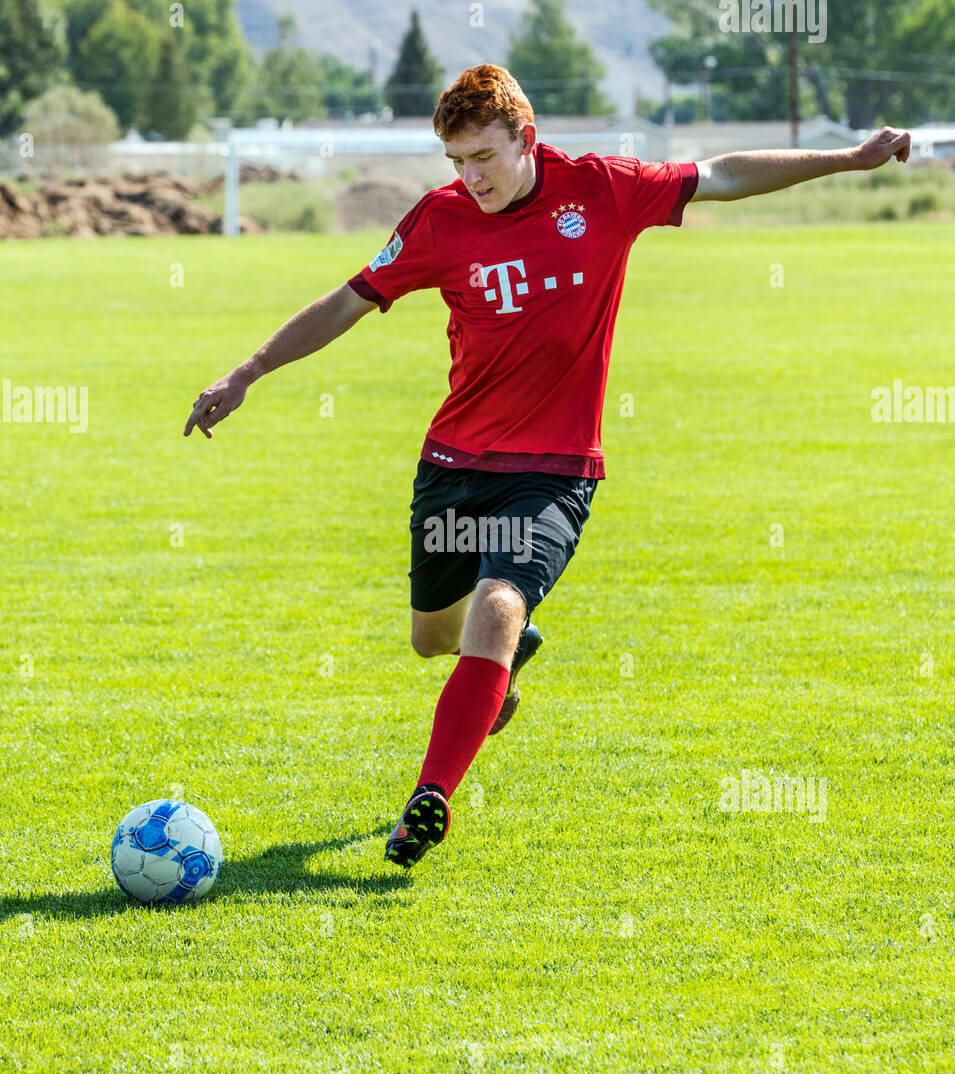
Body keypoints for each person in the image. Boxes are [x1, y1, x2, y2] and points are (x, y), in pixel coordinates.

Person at [184, 64, 911, 869]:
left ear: (526, 140)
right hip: (454, 461)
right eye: (456, 161)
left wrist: (846, 159)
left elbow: (722, 173)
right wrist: (245, 373)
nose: (470, 177)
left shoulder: (602, 188)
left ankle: (428, 799)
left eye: (484, 158)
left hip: (555, 469)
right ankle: (500, 665)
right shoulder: (439, 220)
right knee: (433, 640)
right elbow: (345, 302)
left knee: (497, 602)